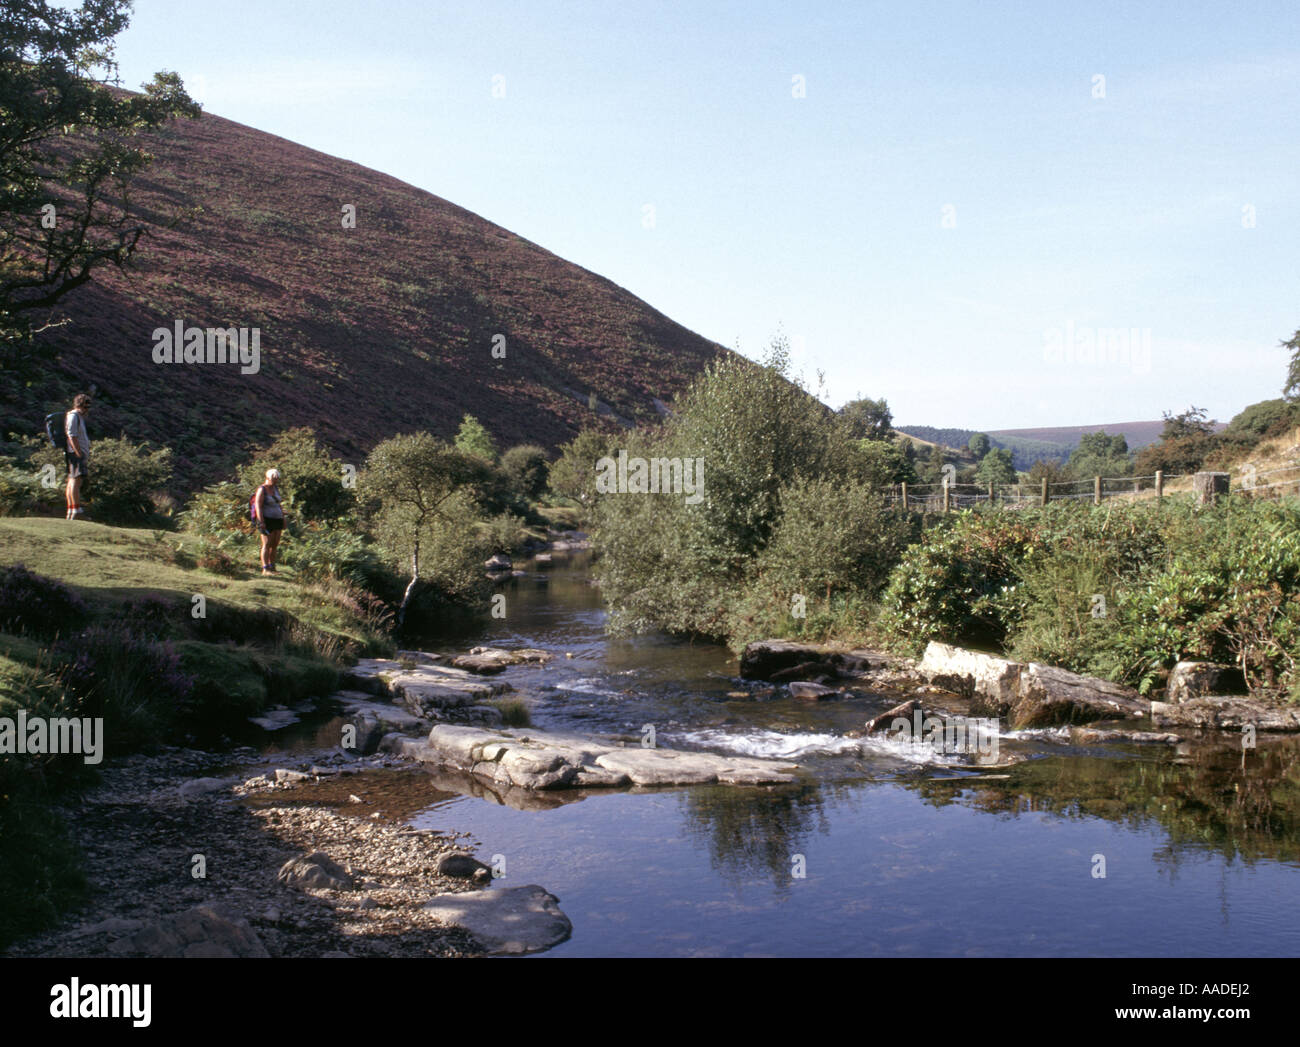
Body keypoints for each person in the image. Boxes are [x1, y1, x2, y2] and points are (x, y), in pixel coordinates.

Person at [64, 393, 92, 520]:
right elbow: (72, 435)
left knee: (72, 480)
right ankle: (76, 510)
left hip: (76, 453)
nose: (87, 410)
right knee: (76, 481)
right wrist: (79, 453)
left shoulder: (77, 417)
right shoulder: (74, 416)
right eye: (85, 407)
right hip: (75, 454)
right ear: (79, 405)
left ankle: (72, 510)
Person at [253, 468, 286, 575]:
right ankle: (265, 568)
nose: (275, 480)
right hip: (267, 520)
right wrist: (261, 522)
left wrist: (283, 518)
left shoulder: (276, 489)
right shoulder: (261, 489)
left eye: (276, 479)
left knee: (275, 544)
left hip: (278, 519)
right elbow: (258, 506)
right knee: (266, 544)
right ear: (268, 477)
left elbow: (279, 504)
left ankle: (272, 567)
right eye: (273, 478)